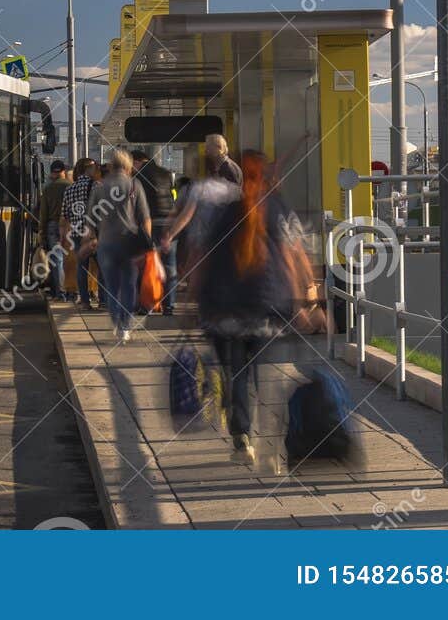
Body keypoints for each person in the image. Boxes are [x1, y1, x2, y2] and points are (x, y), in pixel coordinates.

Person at [183, 150, 314, 469]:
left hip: (222, 308)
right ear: (269, 178)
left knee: (235, 374)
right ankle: (271, 445)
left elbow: (200, 256)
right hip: (267, 306)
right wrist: (307, 300)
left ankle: (242, 437)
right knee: (268, 376)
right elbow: (293, 255)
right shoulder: (279, 209)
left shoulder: (220, 211)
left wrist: (191, 300)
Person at [86, 149, 151, 344]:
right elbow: (145, 218)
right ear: (128, 166)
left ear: (112, 166)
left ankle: (115, 320)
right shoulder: (134, 185)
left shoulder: (99, 187)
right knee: (129, 285)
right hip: (130, 243)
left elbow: (90, 220)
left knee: (112, 286)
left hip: (106, 244)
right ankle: (125, 327)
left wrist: (92, 238)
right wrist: (147, 243)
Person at [130, 150, 178, 316]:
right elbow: (173, 197)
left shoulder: (139, 177)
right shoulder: (166, 173)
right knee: (169, 267)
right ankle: (169, 305)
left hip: (150, 223)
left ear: (137, 162)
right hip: (170, 224)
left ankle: (147, 304)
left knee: (146, 265)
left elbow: (139, 205)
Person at [59, 158, 98, 309]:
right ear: (88, 169)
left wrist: (63, 236)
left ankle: (85, 302)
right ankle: (103, 301)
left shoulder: (69, 189)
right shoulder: (96, 186)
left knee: (81, 267)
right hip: (93, 233)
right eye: (94, 168)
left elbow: (65, 215)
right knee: (101, 266)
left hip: (76, 233)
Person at [38, 160, 70, 300]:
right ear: (63, 171)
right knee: (72, 260)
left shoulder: (48, 189)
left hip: (52, 226)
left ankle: (59, 293)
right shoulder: (71, 186)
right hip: (70, 225)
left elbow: (43, 214)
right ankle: (72, 291)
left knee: (57, 261)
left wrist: (42, 232)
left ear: (52, 173)